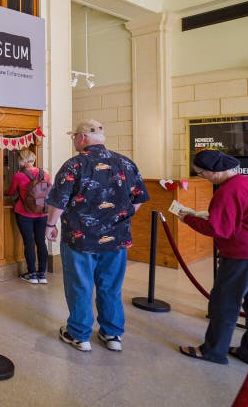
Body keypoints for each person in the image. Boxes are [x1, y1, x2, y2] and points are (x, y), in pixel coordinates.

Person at [45, 119, 149, 352]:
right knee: (111, 286)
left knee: (80, 285)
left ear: (82, 138)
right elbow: (139, 198)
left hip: (80, 240)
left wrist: (50, 225)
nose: (74, 141)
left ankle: (79, 334)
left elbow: (58, 201)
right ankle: (112, 335)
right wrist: (119, 219)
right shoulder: (125, 163)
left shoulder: (74, 165)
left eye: (74, 137)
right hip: (117, 240)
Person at [178, 150, 248, 365]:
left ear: (213, 172)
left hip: (242, 256)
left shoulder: (227, 191)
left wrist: (189, 218)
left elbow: (219, 229)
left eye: (201, 173)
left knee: (224, 304)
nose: (203, 177)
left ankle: (213, 351)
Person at [6, 148, 51, 284]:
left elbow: (11, 192)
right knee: (41, 242)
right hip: (42, 213)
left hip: (24, 213)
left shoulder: (19, 176)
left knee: (29, 243)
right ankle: (42, 274)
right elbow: (49, 191)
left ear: (22, 160)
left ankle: (32, 274)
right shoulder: (45, 174)